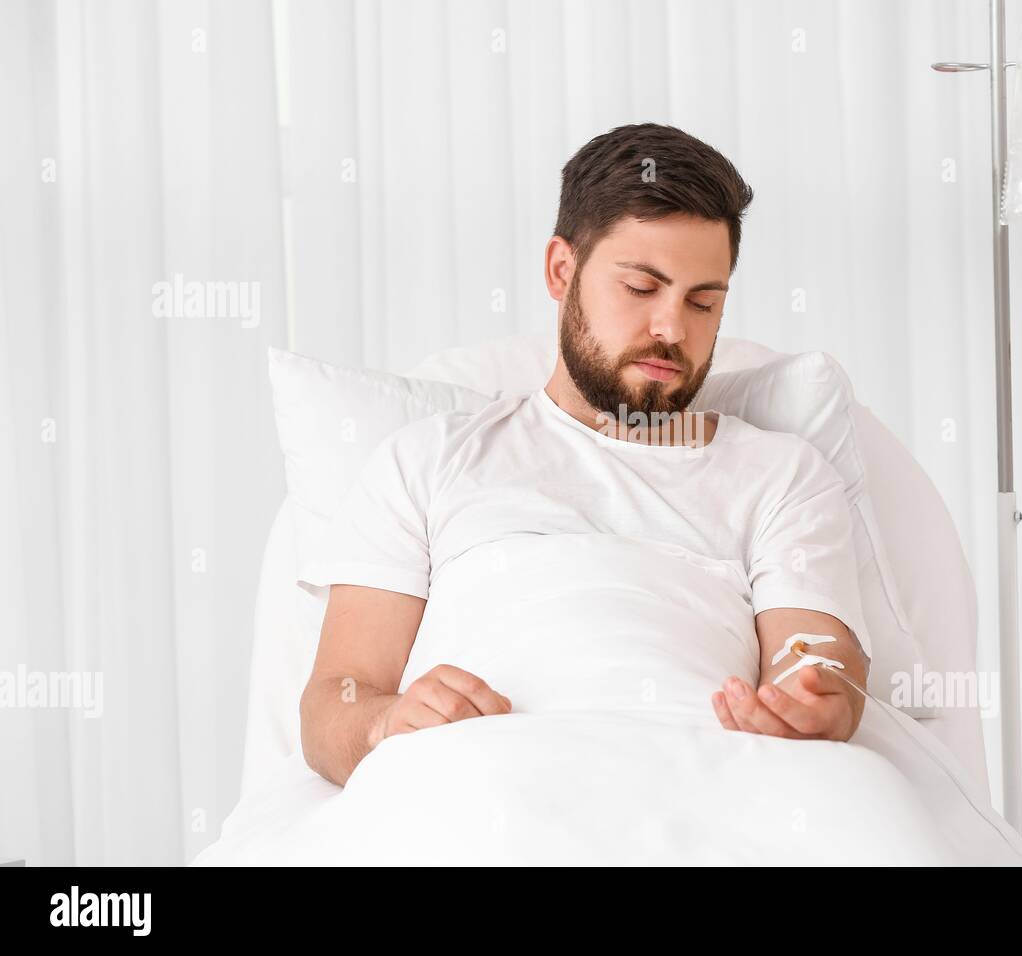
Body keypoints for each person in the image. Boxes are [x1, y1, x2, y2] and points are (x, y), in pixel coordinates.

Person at [298, 123, 870, 787]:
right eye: (641, 288)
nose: (671, 328)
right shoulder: (428, 461)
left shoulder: (781, 475)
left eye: (703, 301)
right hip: (482, 791)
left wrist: (815, 694)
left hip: (706, 788)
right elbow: (334, 700)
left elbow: (812, 654)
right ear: (561, 271)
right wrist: (383, 722)